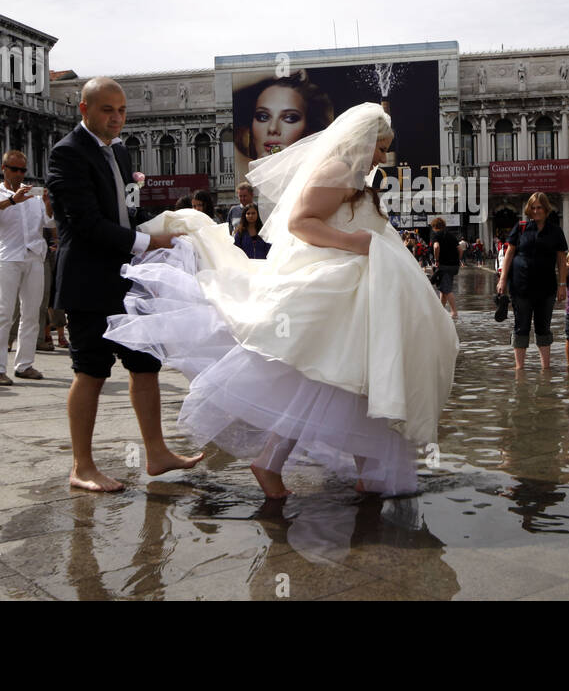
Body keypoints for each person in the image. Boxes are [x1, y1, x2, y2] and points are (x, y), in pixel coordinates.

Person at [104, 102, 457, 499]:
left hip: (358, 285)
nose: (382, 155)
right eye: (379, 146)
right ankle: (285, 462)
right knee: (331, 380)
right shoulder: (338, 170)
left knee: (349, 382)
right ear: (362, 141)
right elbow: (301, 222)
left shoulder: (355, 174)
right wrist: (357, 245)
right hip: (341, 284)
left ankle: (353, 468)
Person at [48, 76, 202, 493]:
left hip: (126, 276)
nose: (116, 119)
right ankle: (82, 466)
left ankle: (156, 452)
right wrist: (148, 241)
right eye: (107, 110)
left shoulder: (118, 151)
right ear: (84, 109)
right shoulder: (67, 154)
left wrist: (158, 230)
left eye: (121, 111)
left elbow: (122, 213)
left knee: (145, 362)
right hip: (87, 278)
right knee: (91, 370)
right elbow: (85, 223)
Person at [0, 149, 56, 385]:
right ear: (4, 169)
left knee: (32, 313)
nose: (19, 174)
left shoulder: (33, 194)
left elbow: (49, 222)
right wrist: (11, 200)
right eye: (14, 169)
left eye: (22, 170)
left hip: (34, 255)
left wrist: (48, 204)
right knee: (3, 312)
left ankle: (25, 364)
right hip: (8, 256)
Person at [496, 192, 568, 370]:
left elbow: (561, 259)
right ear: (529, 209)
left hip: (547, 287)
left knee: (543, 326)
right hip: (521, 286)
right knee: (521, 325)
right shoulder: (520, 228)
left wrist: (562, 285)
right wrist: (502, 280)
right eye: (533, 208)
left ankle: (546, 369)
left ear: (546, 209)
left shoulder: (555, 231)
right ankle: (519, 368)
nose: (536, 211)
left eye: (540, 207)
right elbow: (509, 254)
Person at [232, 70, 335, 180]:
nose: (272, 128)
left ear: (310, 131)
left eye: (290, 118)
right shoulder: (239, 171)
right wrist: (276, 70)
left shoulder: (323, 178)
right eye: (263, 116)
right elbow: (217, 90)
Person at [430, 216, 460, 319]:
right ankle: (441, 311)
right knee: (443, 288)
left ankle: (454, 312)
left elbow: (436, 246)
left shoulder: (436, 235)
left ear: (434, 227)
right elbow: (460, 248)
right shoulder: (451, 235)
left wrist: (436, 259)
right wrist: (458, 260)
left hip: (444, 265)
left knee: (446, 289)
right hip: (454, 266)